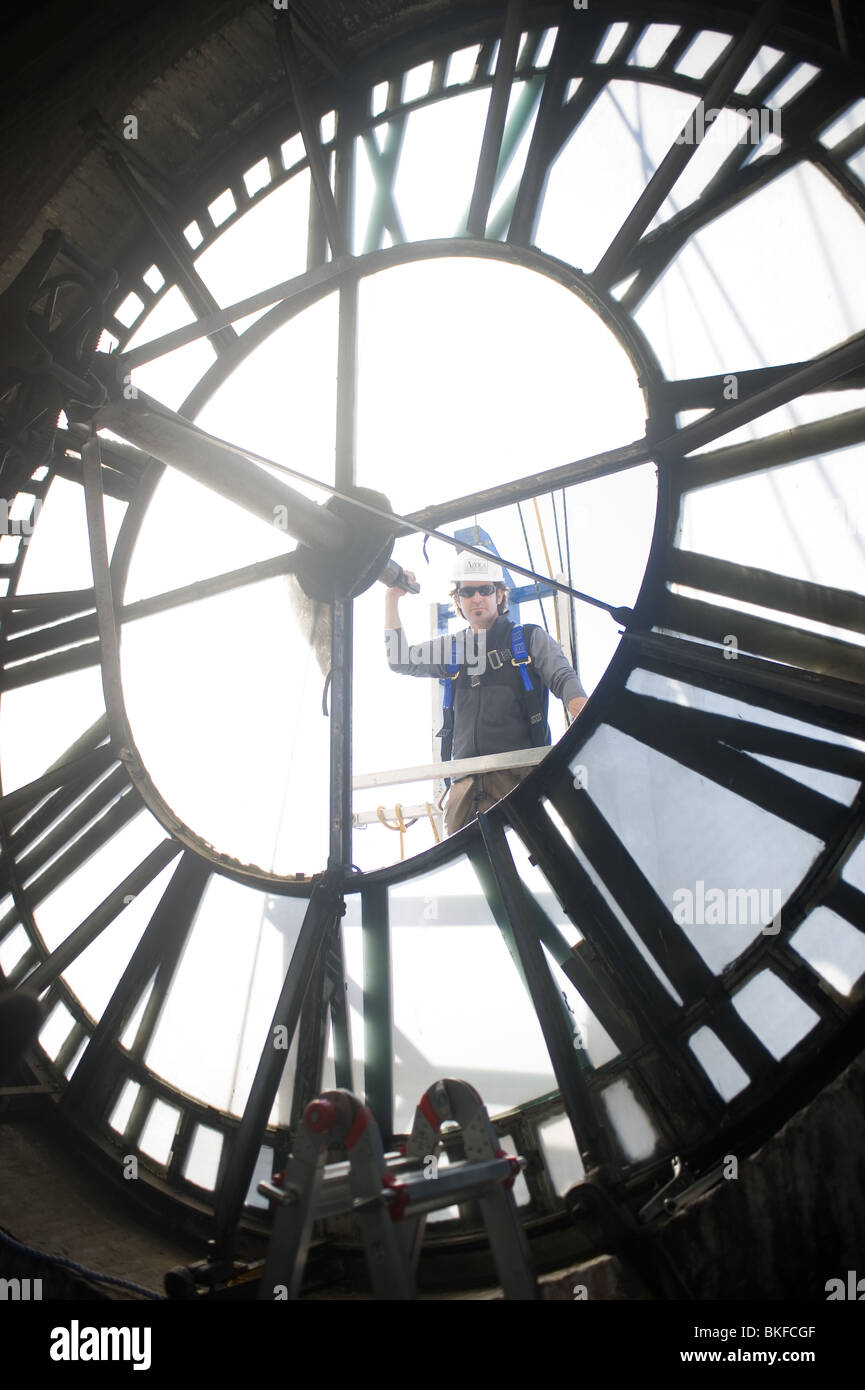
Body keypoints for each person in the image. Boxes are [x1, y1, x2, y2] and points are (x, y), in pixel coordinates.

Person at [384, 552, 587, 835]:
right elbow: (399, 658)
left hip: (518, 777)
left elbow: (563, 679)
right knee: (464, 862)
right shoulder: (452, 648)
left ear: (500, 595)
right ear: (457, 600)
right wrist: (392, 598)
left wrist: (584, 718)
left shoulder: (528, 639)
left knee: (539, 851)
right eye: (467, 592)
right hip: (465, 784)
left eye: (485, 590)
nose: (477, 598)